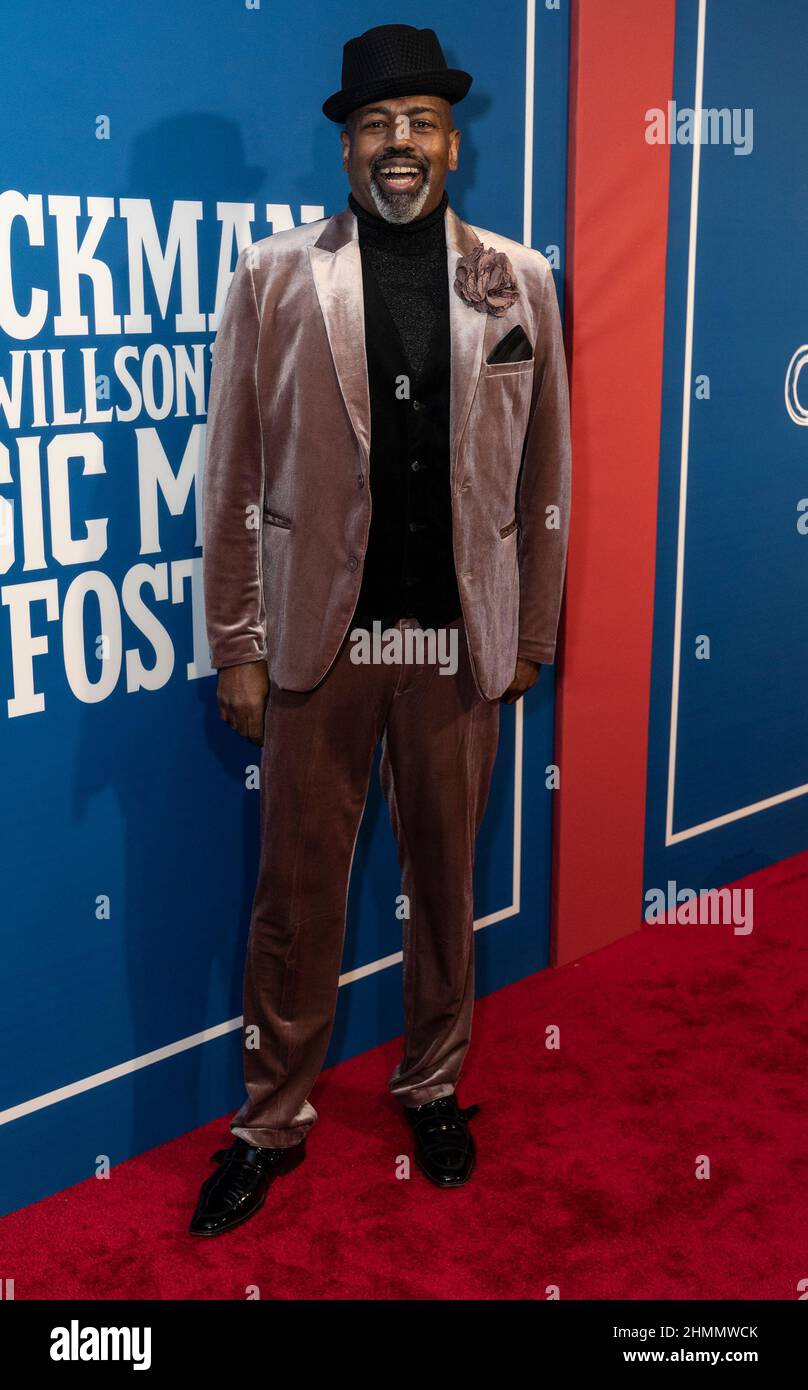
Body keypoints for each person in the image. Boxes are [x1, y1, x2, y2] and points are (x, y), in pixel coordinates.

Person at [190, 22, 571, 1236]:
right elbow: (234, 472)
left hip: (458, 646)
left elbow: (543, 472)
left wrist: (531, 632)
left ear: (452, 142)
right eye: (373, 125)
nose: (396, 144)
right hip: (321, 646)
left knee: (444, 887)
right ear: (344, 146)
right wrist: (238, 643)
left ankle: (434, 1083)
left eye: (417, 123)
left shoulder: (521, 281)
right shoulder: (274, 277)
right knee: (295, 901)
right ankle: (269, 1120)